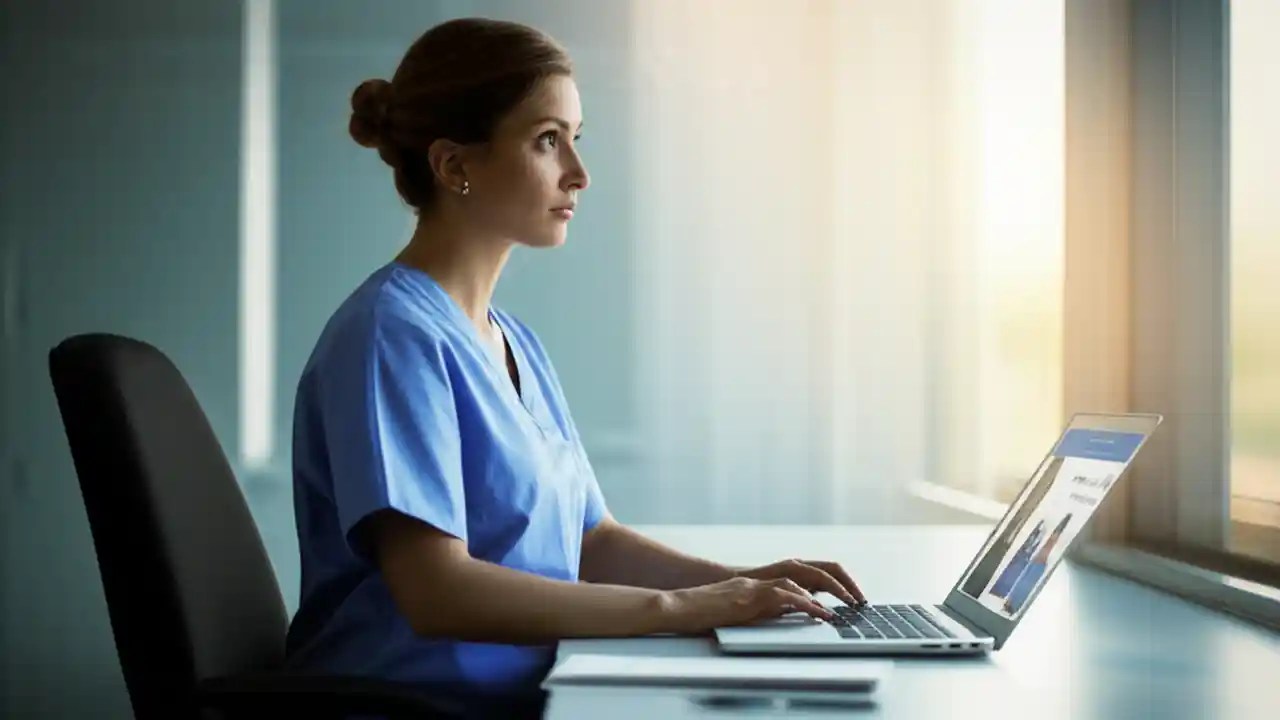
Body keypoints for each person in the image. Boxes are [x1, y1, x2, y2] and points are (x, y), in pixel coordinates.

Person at [284, 16, 868, 707]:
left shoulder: (512, 340)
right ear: (453, 165)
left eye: (575, 139)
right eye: (546, 141)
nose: (579, 174)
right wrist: (685, 610)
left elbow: (593, 542)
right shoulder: (390, 336)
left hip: (535, 689)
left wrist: (745, 582)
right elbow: (437, 593)